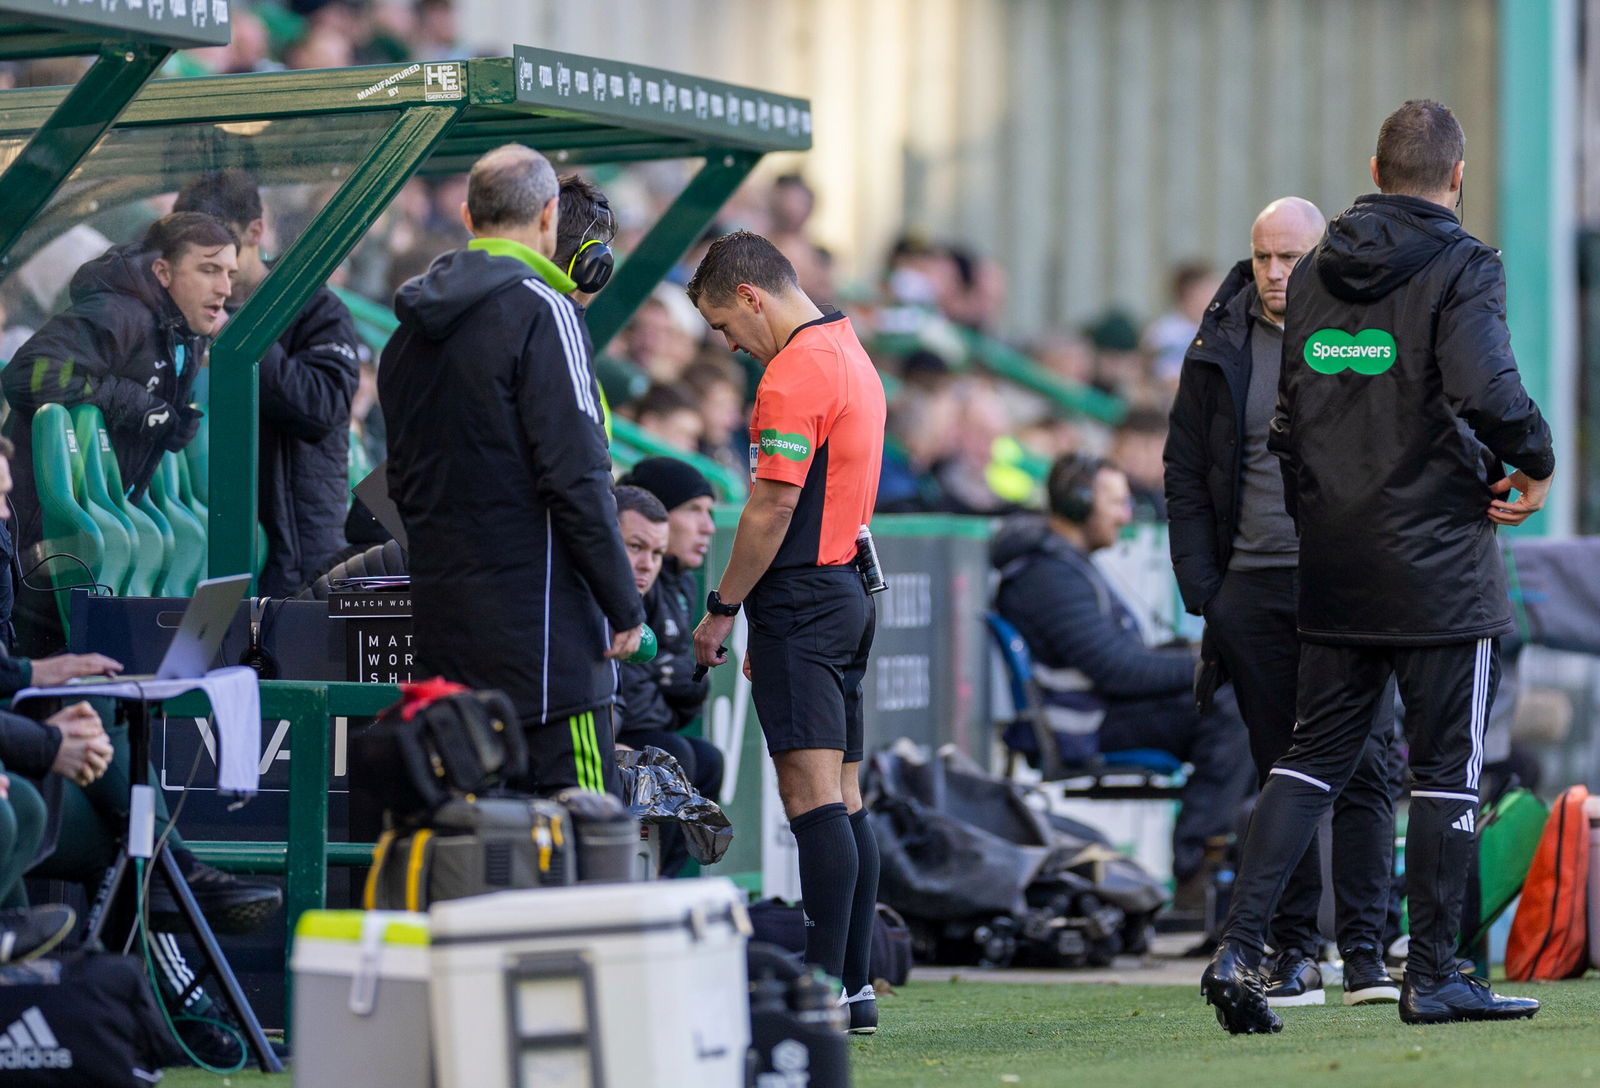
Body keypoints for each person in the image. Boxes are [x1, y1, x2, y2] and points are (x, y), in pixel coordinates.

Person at [1201, 99, 1554, 1033]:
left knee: (1310, 757)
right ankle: (1432, 975)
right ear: (1457, 176)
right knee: (1445, 769)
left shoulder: (1316, 270)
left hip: (1334, 561)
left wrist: (1327, 518)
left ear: (1373, 169)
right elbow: (1487, 389)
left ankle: (1239, 951)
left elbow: (1289, 422)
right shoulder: (1464, 264)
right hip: (1440, 567)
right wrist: (1538, 458)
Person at [1165, 197, 1401, 1008]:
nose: (1275, 273)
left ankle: (1366, 952)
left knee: (1368, 766)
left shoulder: (1365, 331)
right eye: (1264, 256)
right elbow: (1184, 470)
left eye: (1291, 258)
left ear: (1323, 255)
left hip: (1347, 586)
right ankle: (1298, 949)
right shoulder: (1220, 340)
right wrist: (1209, 594)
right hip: (1254, 590)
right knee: (1281, 773)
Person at [379, 143, 644, 797]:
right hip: (549, 653)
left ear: (469, 217)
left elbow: (400, 486)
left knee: (474, 839)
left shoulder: (405, 333)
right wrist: (622, 602)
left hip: (445, 641)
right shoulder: (546, 311)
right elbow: (578, 478)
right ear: (550, 215)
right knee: (586, 832)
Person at [687, 231, 884, 1034]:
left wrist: (723, 607)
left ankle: (823, 988)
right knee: (845, 796)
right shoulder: (850, 350)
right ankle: (856, 987)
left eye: (723, 326)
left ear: (750, 296)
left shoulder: (795, 371)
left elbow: (771, 506)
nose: (729, 345)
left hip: (803, 596)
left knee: (812, 799)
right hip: (847, 588)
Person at [991, 454, 1255, 904]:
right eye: (1115, 503)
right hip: (1085, 725)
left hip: (1103, 710)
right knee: (1233, 707)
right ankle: (1199, 870)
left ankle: (1228, 863)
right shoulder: (1048, 576)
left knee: (1245, 698)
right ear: (1077, 504)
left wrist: (1199, 656)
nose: (1125, 516)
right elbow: (1118, 669)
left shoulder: (1064, 563)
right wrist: (1214, 665)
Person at [2, 213, 237, 555]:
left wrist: (165, 421)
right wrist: (138, 406)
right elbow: (28, 373)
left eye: (230, 274)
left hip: (86, 535)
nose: (224, 288)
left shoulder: (185, 334)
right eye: (209, 270)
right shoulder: (119, 313)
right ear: (163, 272)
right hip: (31, 537)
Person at [173, 169, 361, 596]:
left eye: (222, 241)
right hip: (199, 543)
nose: (214, 260)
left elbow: (322, 407)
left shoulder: (314, 308)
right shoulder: (178, 311)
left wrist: (236, 337)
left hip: (296, 548)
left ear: (255, 231)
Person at [615, 459, 724, 872]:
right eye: (694, 510)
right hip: (607, 732)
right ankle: (637, 881)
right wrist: (676, 683)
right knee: (671, 755)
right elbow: (632, 696)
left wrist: (678, 682)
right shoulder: (627, 581)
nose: (708, 527)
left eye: (655, 553)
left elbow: (689, 686)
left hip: (641, 726)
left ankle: (664, 881)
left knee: (706, 759)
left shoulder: (679, 583)